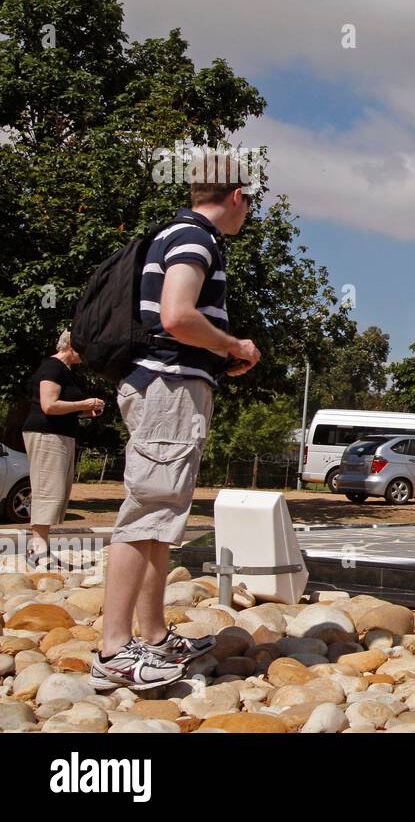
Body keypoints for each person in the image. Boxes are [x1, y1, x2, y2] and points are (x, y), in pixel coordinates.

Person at [90, 153, 262, 692]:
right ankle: (114, 649)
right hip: (167, 388)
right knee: (147, 512)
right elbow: (176, 315)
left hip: (166, 383)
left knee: (161, 515)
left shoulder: (173, 233)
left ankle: (153, 634)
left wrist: (215, 357)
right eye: (249, 199)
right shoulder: (196, 238)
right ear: (236, 195)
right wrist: (233, 345)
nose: (249, 209)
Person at [20, 330, 105, 569]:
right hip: (47, 434)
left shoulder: (65, 371)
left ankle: (41, 546)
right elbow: (48, 405)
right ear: (71, 346)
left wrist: (85, 411)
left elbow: (63, 407)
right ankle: (37, 549)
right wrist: (84, 403)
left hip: (61, 435)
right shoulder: (52, 367)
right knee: (48, 489)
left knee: (57, 491)